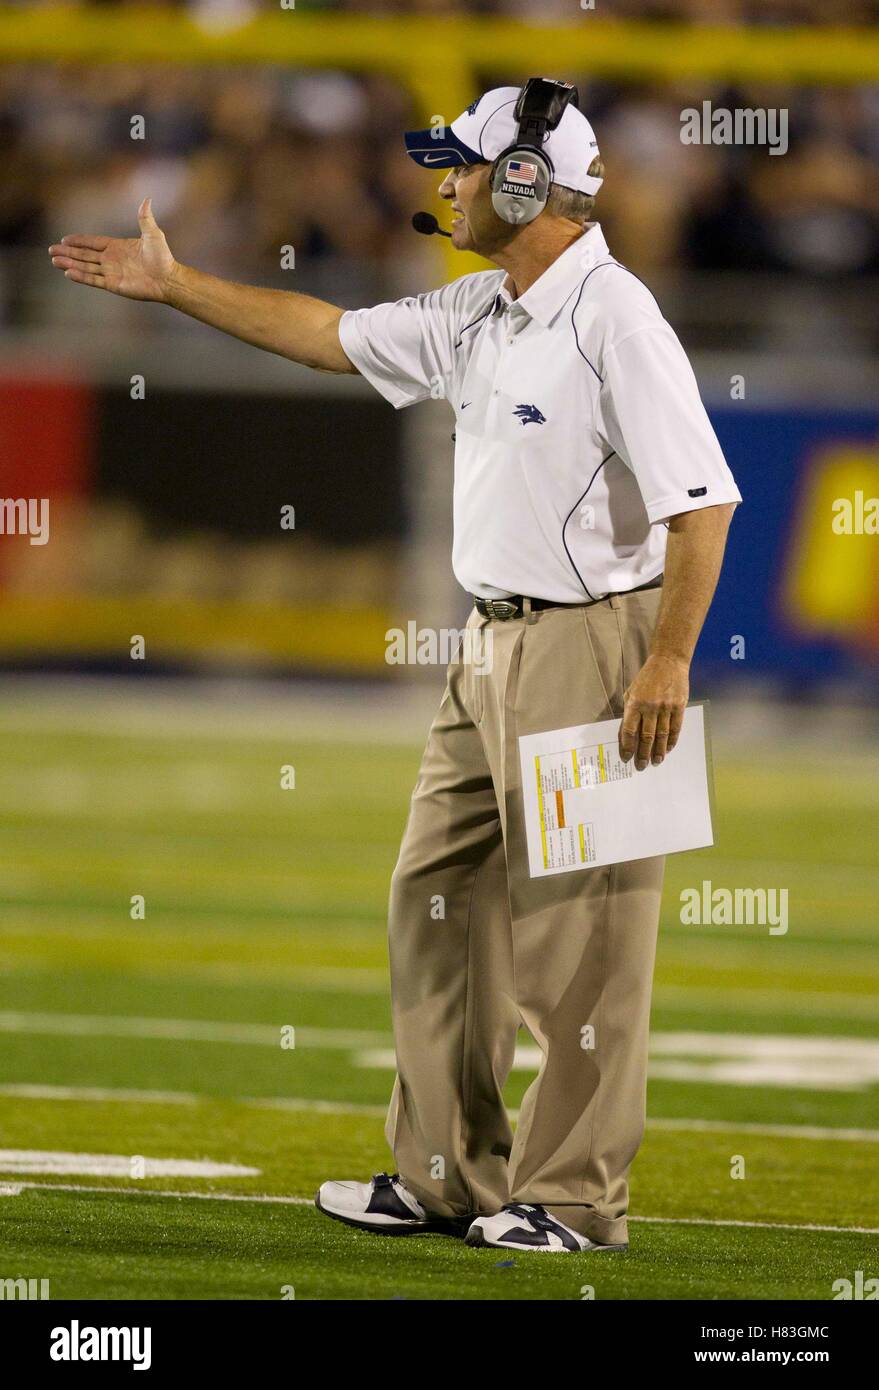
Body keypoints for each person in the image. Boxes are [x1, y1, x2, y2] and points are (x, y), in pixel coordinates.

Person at [49, 78, 741, 1254]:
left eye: (465, 166)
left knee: (583, 948)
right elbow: (323, 333)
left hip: (596, 642)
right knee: (435, 903)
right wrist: (175, 287)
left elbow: (702, 505)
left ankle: (572, 1197)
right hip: (488, 646)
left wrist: (667, 660)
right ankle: (443, 1174)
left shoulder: (616, 317)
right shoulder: (482, 306)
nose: (448, 185)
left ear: (525, 180)